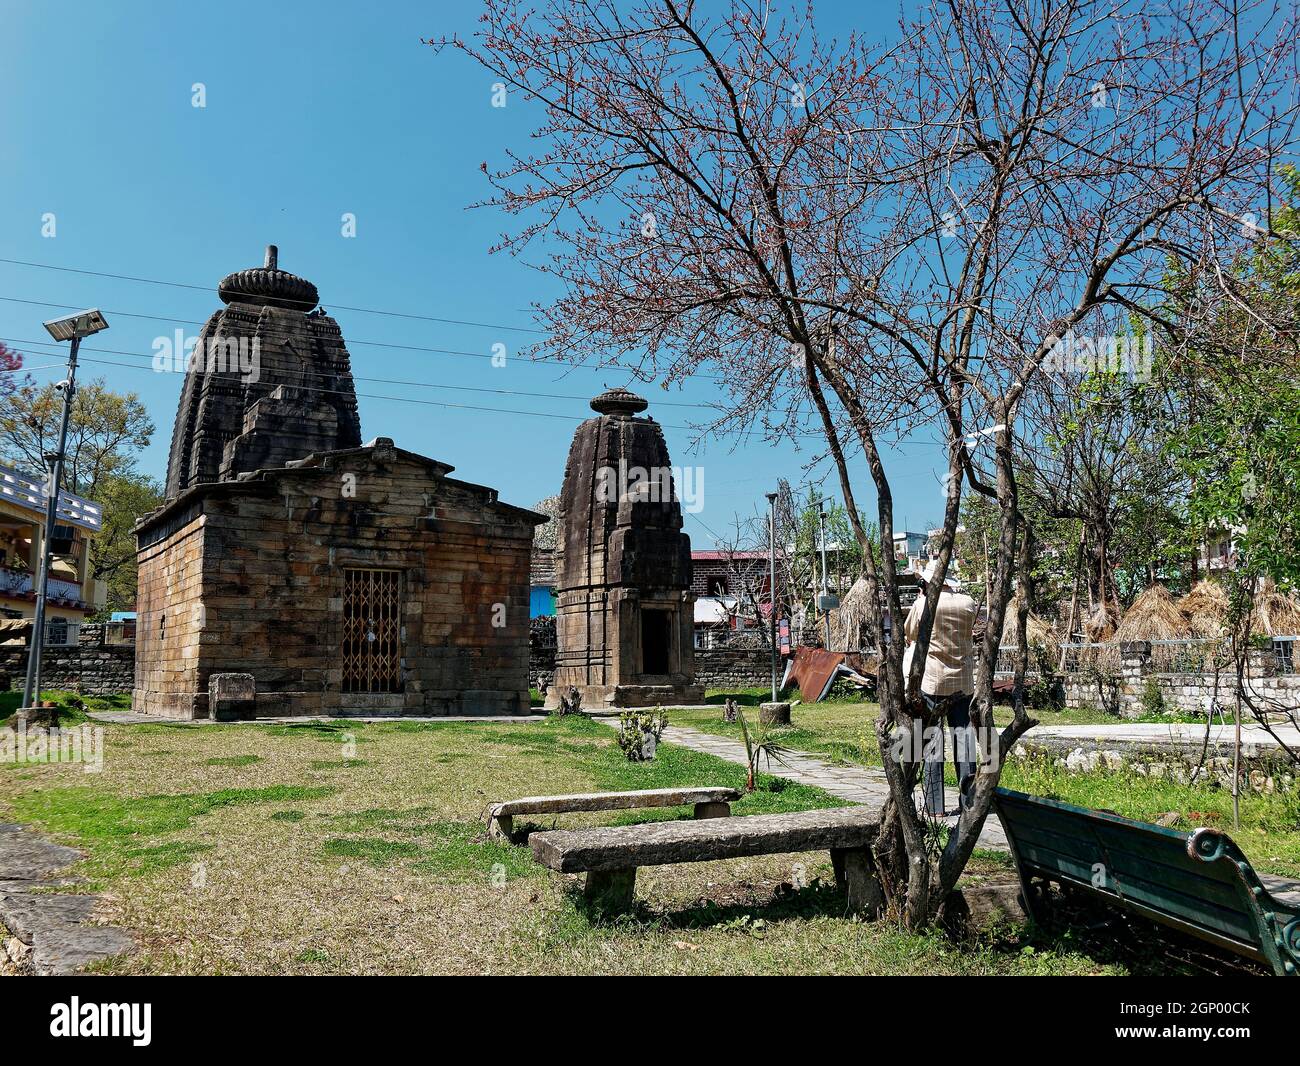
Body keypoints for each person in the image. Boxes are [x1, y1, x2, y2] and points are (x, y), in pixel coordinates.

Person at [903, 560, 980, 817]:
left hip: (932, 681)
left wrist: (921, 598)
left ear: (926, 582)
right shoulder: (968, 604)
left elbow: (910, 633)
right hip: (963, 682)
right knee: (964, 741)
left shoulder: (923, 604)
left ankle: (935, 806)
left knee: (932, 744)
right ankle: (968, 800)